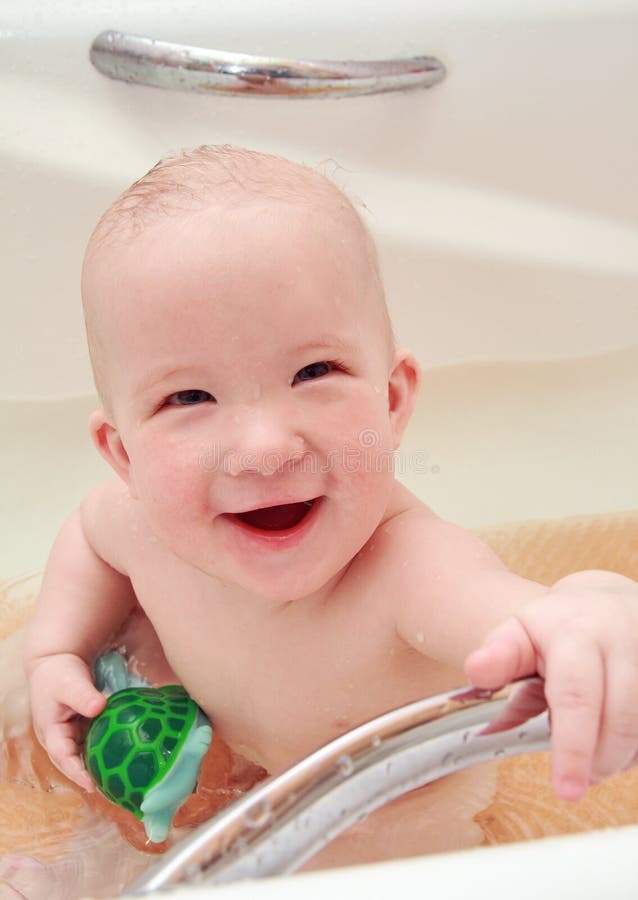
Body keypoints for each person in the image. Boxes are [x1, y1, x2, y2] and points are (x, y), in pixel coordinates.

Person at [24, 145, 638, 866]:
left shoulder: (406, 572)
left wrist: (594, 606)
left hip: (379, 838)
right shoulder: (138, 527)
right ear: (124, 454)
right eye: (189, 397)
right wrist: (54, 648)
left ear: (392, 399)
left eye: (314, 372)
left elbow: (523, 619)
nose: (263, 449)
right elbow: (89, 539)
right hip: (226, 768)